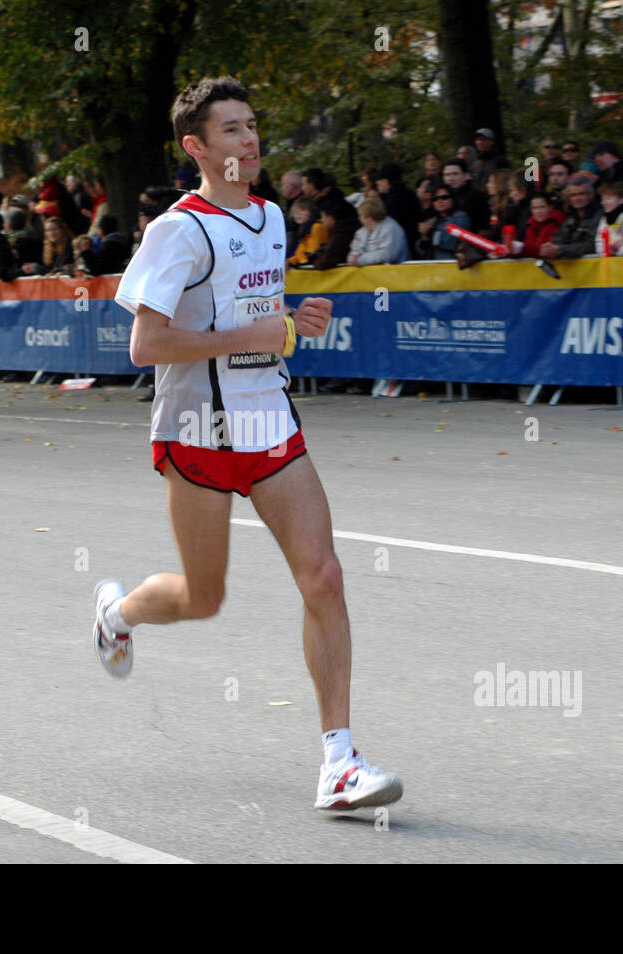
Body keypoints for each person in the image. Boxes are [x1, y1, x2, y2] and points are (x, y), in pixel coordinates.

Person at [100, 76, 403, 812]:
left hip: (268, 419)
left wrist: (297, 323)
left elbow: (259, 320)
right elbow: (146, 344)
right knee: (204, 599)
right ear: (197, 147)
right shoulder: (178, 229)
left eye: (253, 125)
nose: (250, 139)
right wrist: (256, 333)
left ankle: (339, 761)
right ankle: (119, 615)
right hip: (197, 431)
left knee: (323, 576)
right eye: (231, 129)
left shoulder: (270, 217)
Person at [540, 181, 599, 258]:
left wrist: (559, 249)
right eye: (573, 195)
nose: (577, 198)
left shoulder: (599, 215)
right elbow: (557, 240)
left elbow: (593, 245)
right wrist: (549, 248)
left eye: (582, 194)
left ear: (591, 195)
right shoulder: (571, 218)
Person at [347, 196, 407, 265]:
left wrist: (359, 260)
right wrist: (353, 256)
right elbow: (354, 252)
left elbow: (387, 255)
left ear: (369, 218)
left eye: (361, 216)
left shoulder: (391, 228)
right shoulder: (362, 232)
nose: (359, 219)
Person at [416, 186, 469, 260]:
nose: (439, 201)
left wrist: (428, 233)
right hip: (433, 266)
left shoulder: (461, 217)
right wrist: (424, 238)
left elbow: (449, 241)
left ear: (452, 199)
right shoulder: (432, 221)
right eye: (435, 199)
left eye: (444, 197)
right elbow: (420, 251)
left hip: (453, 265)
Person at [592, 181, 623, 255]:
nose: (603, 202)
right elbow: (599, 241)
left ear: (622, 200)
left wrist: (615, 251)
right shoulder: (605, 217)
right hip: (613, 263)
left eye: (608, 198)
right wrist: (608, 250)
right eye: (602, 199)